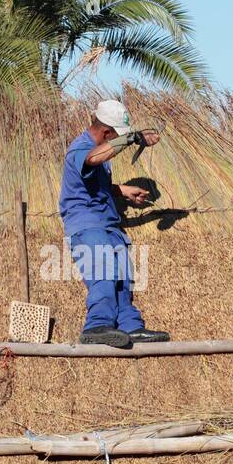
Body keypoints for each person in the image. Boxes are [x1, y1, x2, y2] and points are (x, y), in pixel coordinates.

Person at [58, 99, 170, 348]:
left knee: (122, 278)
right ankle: (96, 325)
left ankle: (131, 326)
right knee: (104, 273)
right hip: (87, 225)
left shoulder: (100, 150)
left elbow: (93, 184)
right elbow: (91, 160)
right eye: (117, 137)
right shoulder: (81, 147)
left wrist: (122, 190)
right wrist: (130, 140)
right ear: (107, 132)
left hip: (108, 225)